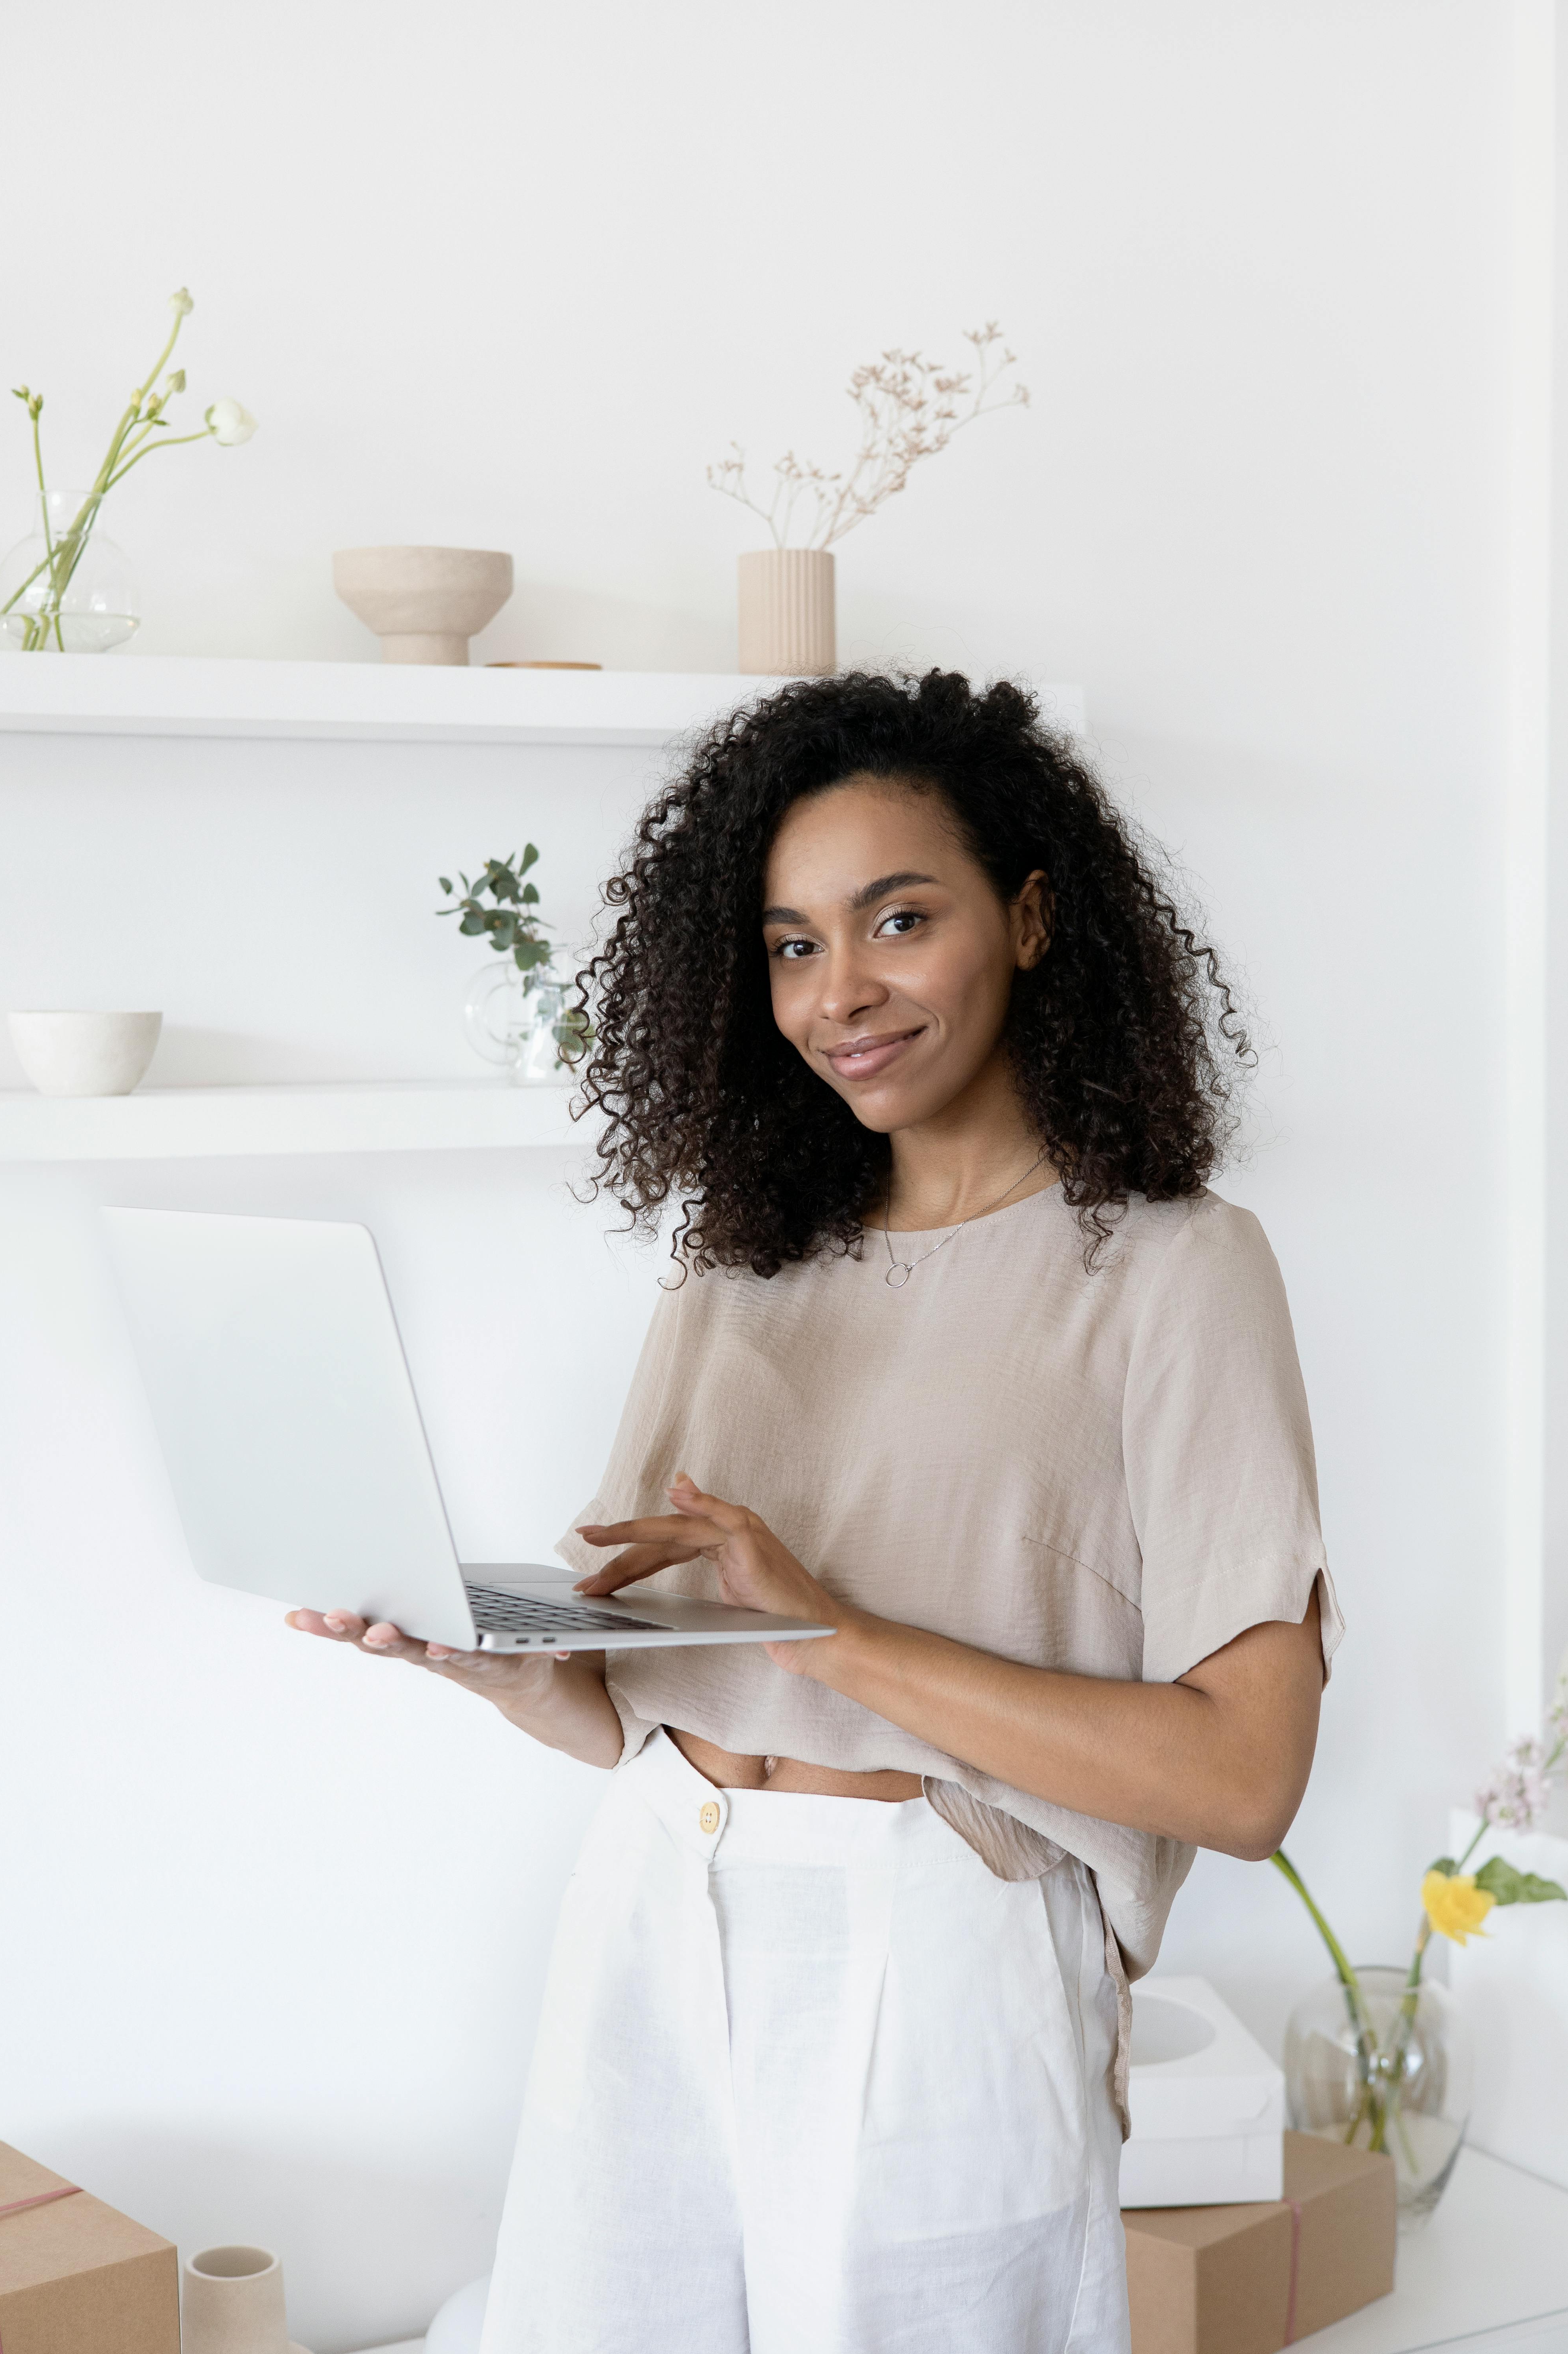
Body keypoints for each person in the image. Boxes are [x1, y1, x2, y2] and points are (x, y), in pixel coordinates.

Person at [289, 670, 1341, 2354]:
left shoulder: (1172, 1266)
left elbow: (1242, 1772)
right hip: (650, 1895)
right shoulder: (740, 1272)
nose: (837, 991)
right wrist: (474, 1649)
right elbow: (633, 1697)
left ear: (1032, 911)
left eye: (896, 918)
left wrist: (839, 1634)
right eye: (789, 943)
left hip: (937, 1946)